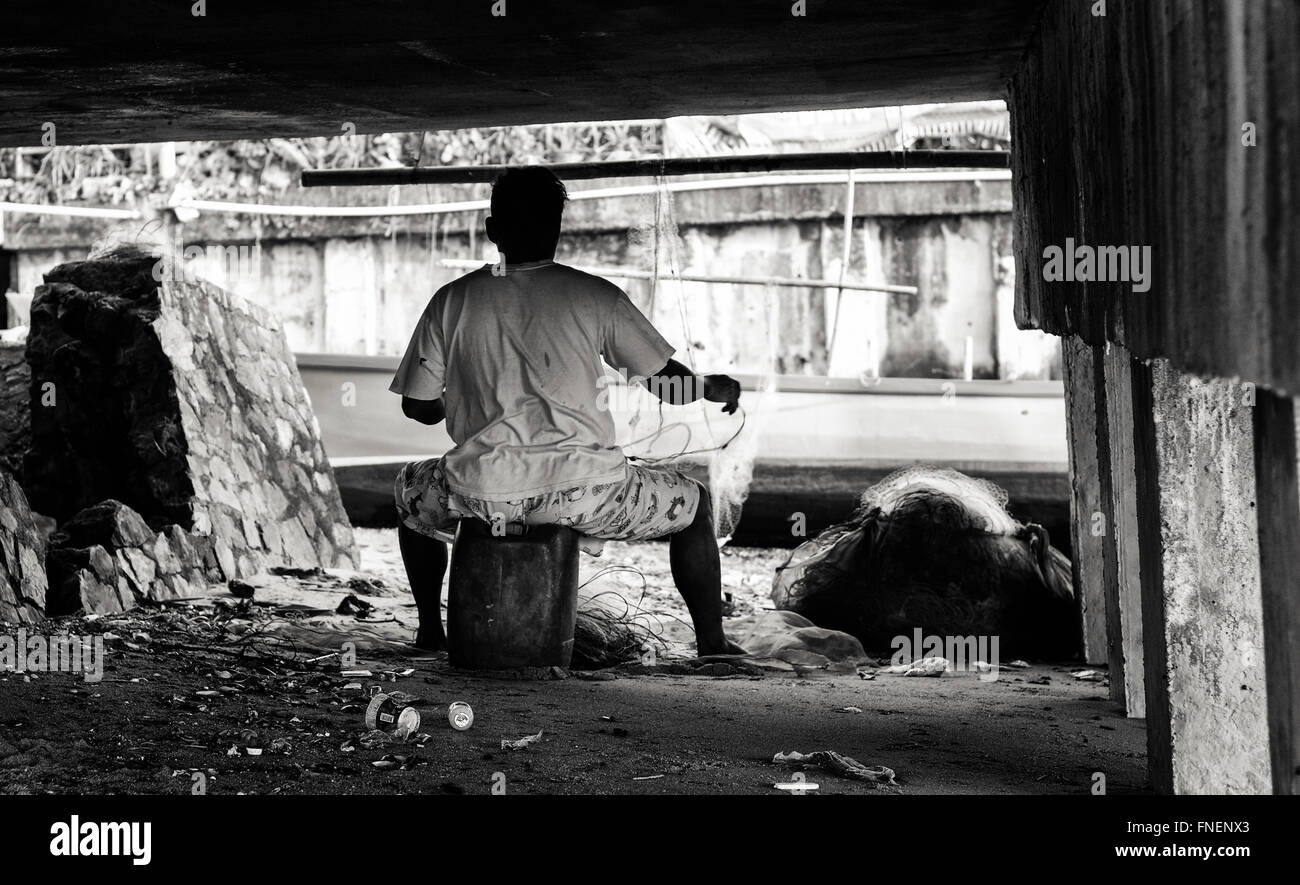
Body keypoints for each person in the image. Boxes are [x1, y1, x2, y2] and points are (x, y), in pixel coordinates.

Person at [390, 166, 744, 656]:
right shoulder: (595, 295)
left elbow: (418, 408)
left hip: (479, 493)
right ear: (558, 230)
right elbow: (671, 387)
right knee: (696, 504)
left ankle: (431, 631)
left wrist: (460, 402)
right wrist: (710, 386)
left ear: (493, 231)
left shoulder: (451, 299)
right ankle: (713, 643)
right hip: (587, 493)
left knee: (412, 493)